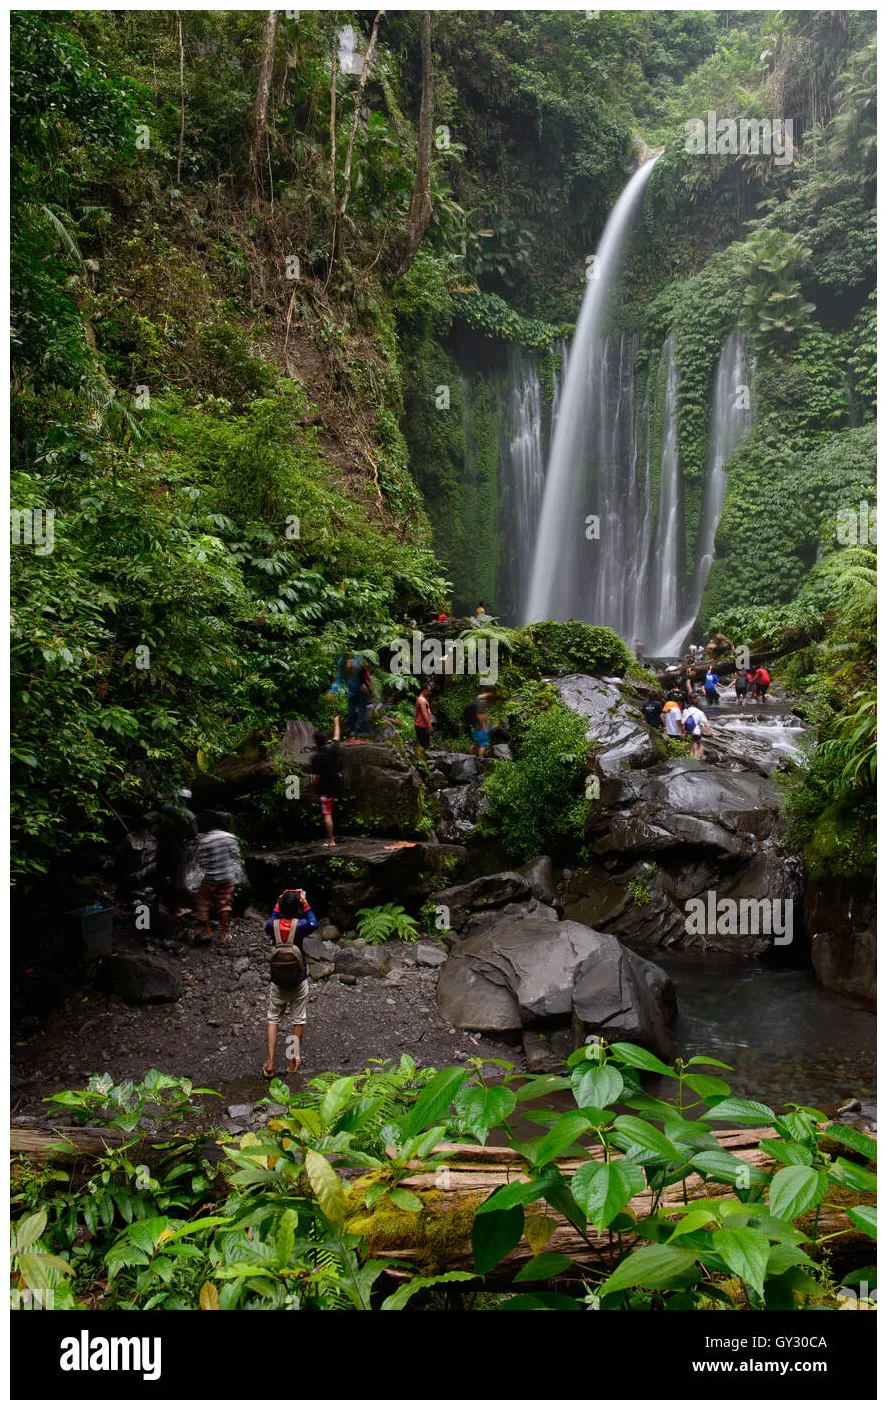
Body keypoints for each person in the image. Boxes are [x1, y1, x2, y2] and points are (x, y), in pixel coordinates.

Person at [263, 887, 317, 1079]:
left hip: (278, 981)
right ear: (298, 908)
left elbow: (271, 919)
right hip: (298, 979)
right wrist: (306, 903)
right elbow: (314, 923)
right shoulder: (301, 926)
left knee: (273, 1019)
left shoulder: (272, 926)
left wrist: (277, 904)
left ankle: (270, 1064)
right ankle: (292, 1061)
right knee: (298, 1019)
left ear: (280, 905)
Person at [194, 811, 243, 943]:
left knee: (203, 903)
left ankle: (208, 930)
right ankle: (223, 934)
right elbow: (235, 856)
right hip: (227, 877)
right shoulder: (230, 837)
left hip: (211, 878)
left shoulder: (204, 840)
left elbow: (202, 861)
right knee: (224, 905)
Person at [151, 789, 198, 917]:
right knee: (178, 880)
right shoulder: (189, 815)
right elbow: (193, 835)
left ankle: (155, 903)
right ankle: (176, 909)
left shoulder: (165, 809)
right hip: (178, 851)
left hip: (162, 848)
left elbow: (154, 828)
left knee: (160, 876)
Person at [310, 715, 342, 847]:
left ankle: (331, 840)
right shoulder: (332, 750)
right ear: (326, 740)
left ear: (315, 743)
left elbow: (316, 778)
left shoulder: (316, 758)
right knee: (332, 809)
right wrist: (336, 722)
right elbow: (337, 737)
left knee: (327, 814)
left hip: (326, 790)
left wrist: (313, 791)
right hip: (338, 784)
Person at [335, 650, 372, 739]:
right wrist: (333, 691)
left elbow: (363, 672)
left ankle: (363, 732)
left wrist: (364, 684)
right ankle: (352, 731)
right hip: (352, 692)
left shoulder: (357, 662)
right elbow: (339, 679)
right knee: (351, 712)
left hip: (362, 691)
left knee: (362, 711)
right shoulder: (342, 663)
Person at [469, 689, 493, 758]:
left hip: (475, 726)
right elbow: (479, 714)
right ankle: (481, 759)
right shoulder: (482, 701)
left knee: (474, 743)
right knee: (483, 744)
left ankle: (470, 758)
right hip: (480, 727)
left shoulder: (477, 699)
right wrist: (484, 726)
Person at [414, 682, 433, 754]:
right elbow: (424, 713)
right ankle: (418, 758)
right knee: (424, 746)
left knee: (426, 745)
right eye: (429, 690)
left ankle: (422, 758)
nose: (430, 692)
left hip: (423, 725)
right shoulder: (421, 700)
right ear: (424, 690)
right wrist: (429, 725)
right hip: (421, 726)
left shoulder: (422, 699)